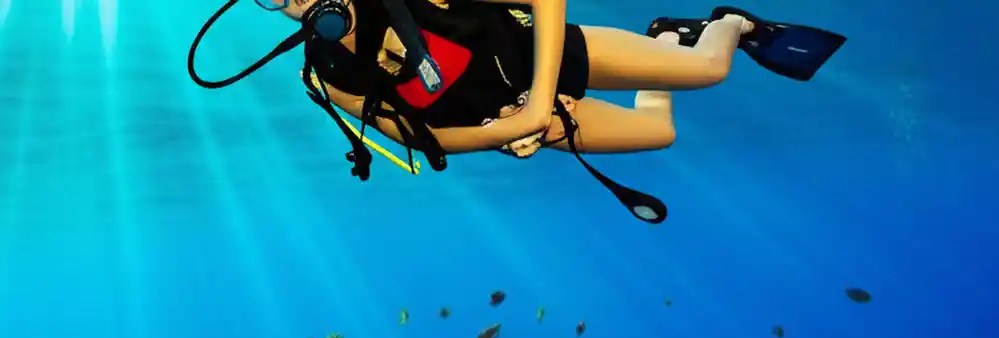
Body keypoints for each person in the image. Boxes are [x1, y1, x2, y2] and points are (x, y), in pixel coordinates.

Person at [188, 2, 845, 222]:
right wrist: (509, 131)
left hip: (551, 57)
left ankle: (728, 23)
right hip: (526, 116)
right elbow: (415, 135)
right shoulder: (327, 73)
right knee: (659, 131)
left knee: (711, 71)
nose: (298, 1)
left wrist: (537, 98)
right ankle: (668, 37)